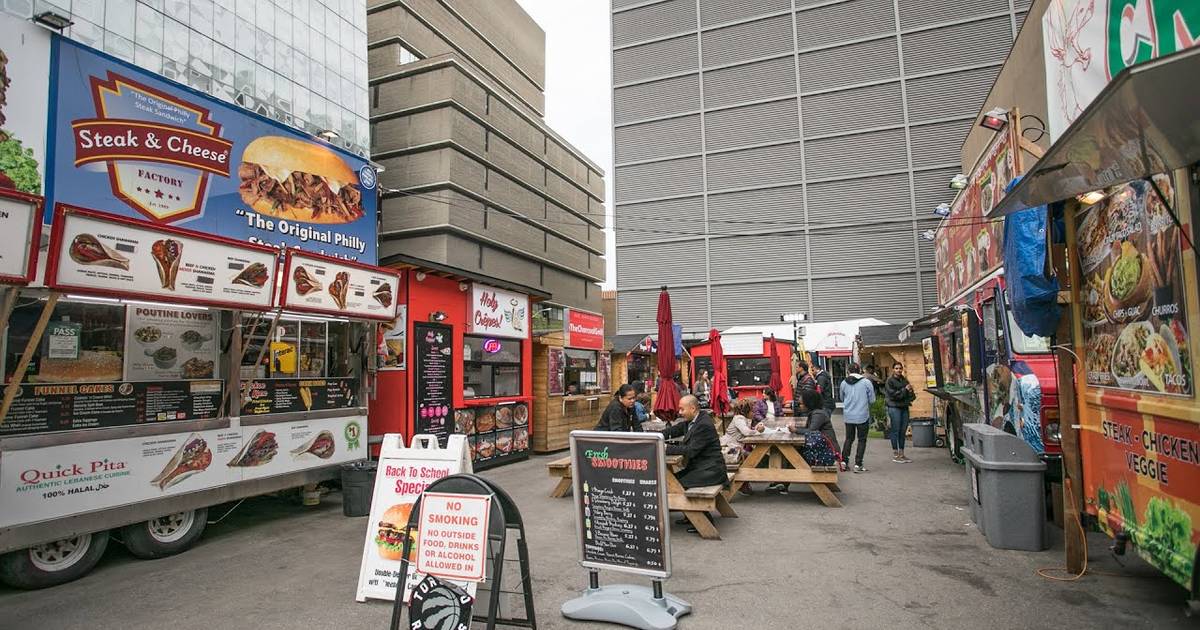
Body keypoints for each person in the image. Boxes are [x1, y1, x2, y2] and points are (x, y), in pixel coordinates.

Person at [839, 363, 875, 473]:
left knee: (849, 439)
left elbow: (842, 398)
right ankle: (858, 464)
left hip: (849, 415)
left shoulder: (843, 383)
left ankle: (844, 461)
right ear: (859, 371)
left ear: (848, 371)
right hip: (862, 415)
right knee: (862, 440)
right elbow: (872, 400)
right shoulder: (866, 382)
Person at [884, 361, 917, 463]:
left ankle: (902, 453)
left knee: (903, 431)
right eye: (896, 368)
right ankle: (895, 453)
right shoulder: (889, 381)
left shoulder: (904, 380)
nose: (899, 370)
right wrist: (905, 390)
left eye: (900, 368)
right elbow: (894, 395)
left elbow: (912, 396)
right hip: (894, 407)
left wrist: (910, 391)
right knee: (895, 430)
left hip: (904, 407)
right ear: (893, 369)